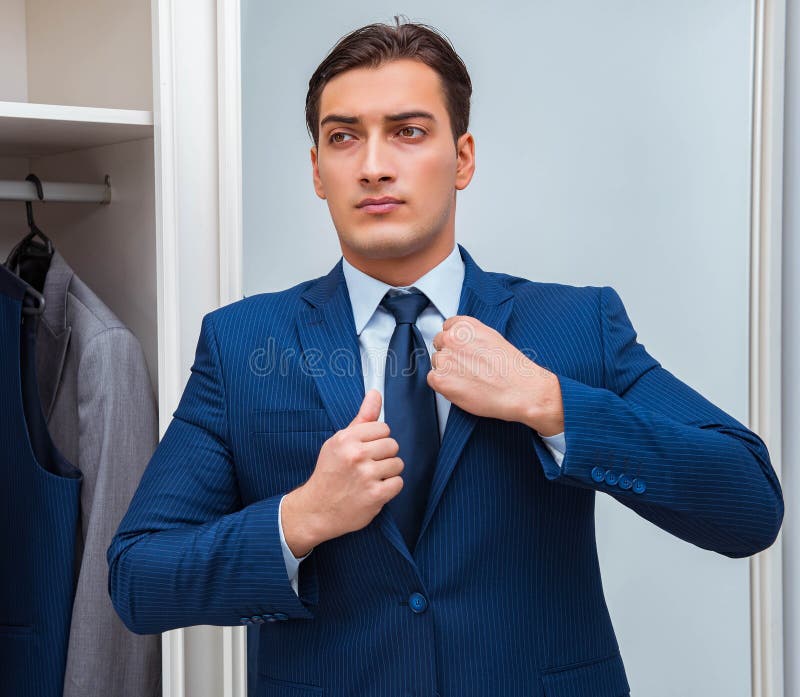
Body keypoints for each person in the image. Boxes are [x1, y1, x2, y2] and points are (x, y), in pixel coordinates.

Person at [107, 17, 784, 697]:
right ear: (317, 169)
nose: (373, 164)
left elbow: (749, 503)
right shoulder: (244, 343)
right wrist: (300, 517)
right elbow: (139, 578)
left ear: (462, 158)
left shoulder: (578, 325)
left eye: (408, 131)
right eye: (344, 137)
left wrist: (552, 405)